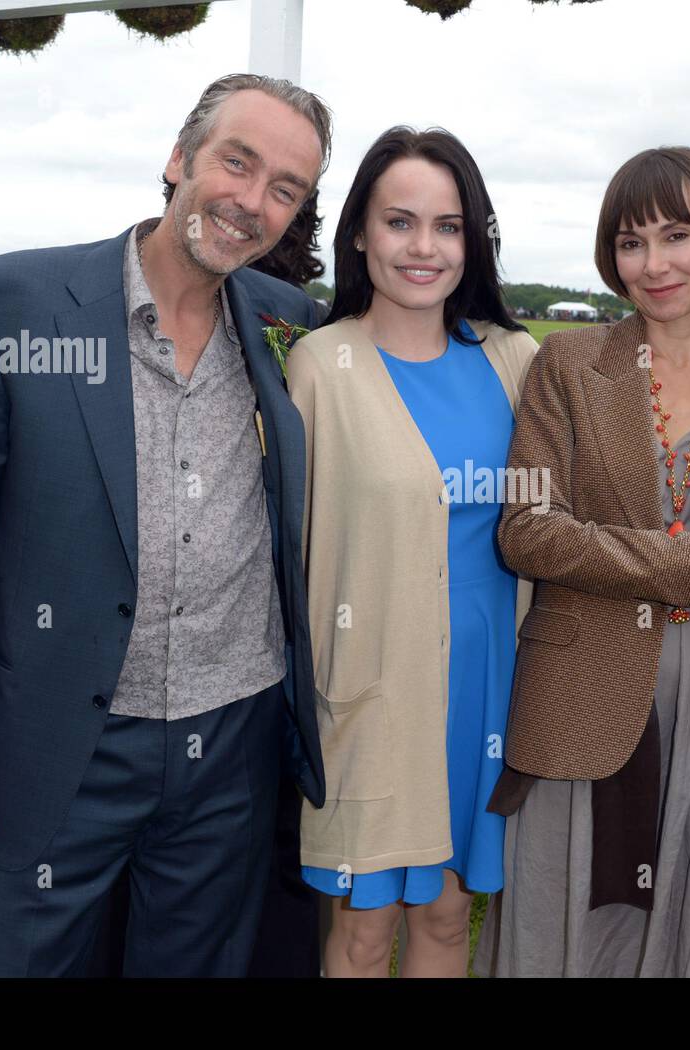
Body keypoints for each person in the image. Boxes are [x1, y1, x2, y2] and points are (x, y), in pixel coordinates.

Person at [0, 73, 330, 977]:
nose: (252, 202)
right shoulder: (8, 304)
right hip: (49, 741)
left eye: (285, 189)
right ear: (178, 159)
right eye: (236, 164)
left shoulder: (294, 331)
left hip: (229, 749)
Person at [475, 146, 690, 977]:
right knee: (563, 931)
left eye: (676, 236)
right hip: (583, 705)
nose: (655, 264)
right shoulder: (567, 366)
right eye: (631, 243)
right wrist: (684, 565)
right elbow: (526, 530)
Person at [287, 126, 539, 978]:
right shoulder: (322, 366)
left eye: (449, 225)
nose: (424, 248)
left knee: (444, 914)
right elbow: (295, 551)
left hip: (488, 683)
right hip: (370, 685)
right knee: (362, 929)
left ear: (474, 241)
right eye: (400, 222)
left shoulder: (515, 361)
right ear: (359, 231)